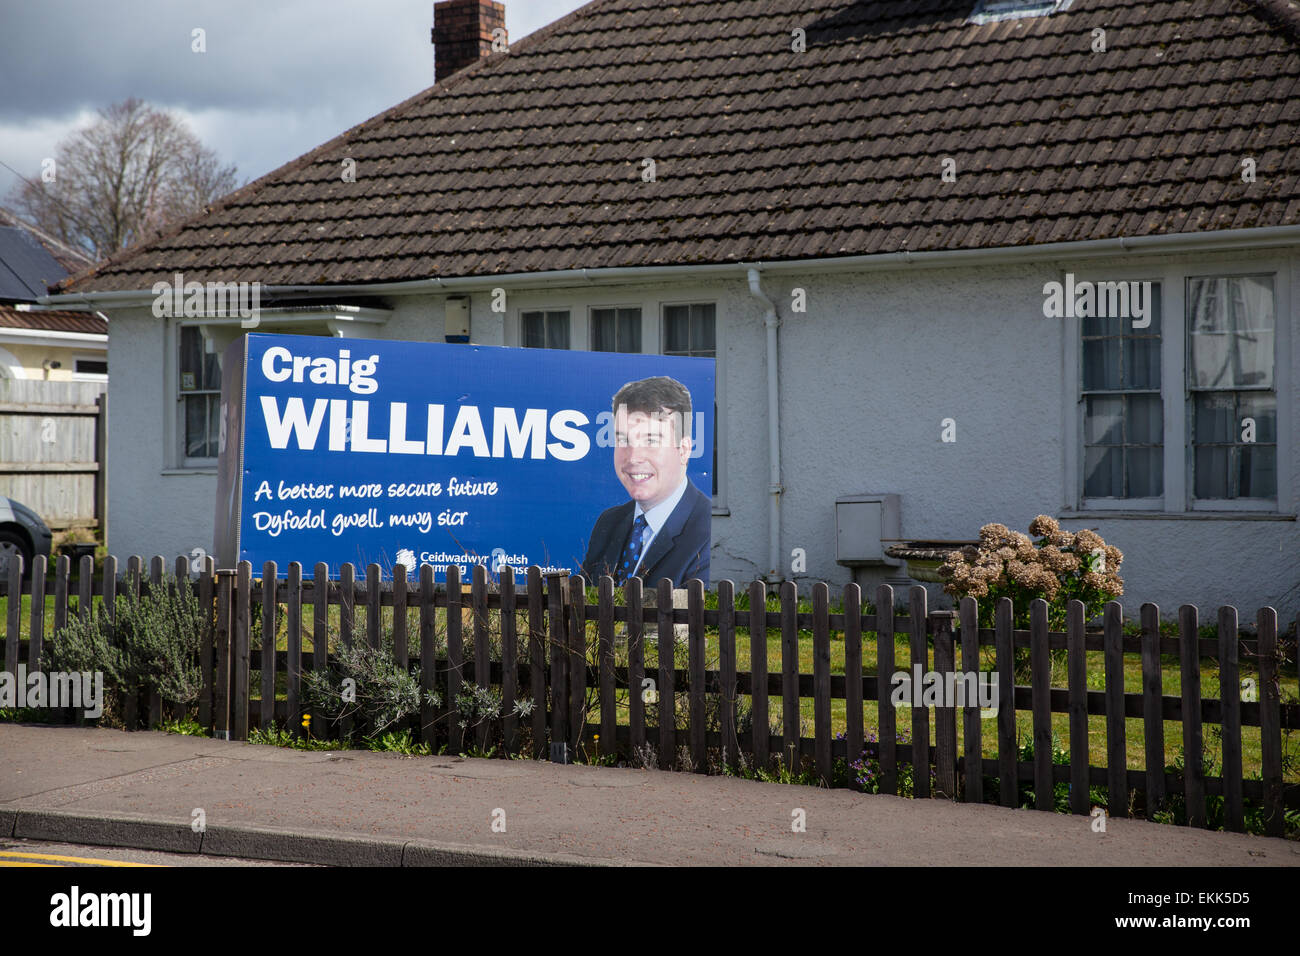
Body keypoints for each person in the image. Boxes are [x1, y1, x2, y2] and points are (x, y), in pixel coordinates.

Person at [580, 376, 710, 587]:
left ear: (684, 450)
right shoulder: (609, 522)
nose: (633, 457)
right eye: (623, 440)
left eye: (651, 440)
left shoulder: (707, 533)